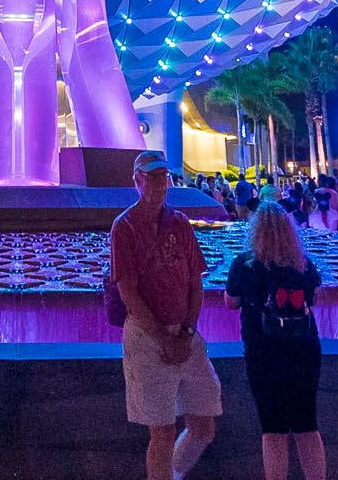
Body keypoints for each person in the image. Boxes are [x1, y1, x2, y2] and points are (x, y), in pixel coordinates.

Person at [111, 150, 221, 480]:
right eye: (152, 176)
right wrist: (163, 338)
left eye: (163, 176)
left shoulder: (180, 222)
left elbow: (194, 282)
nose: (160, 183)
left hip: (183, 334)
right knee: (161, 432)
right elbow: (128, 292)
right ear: (137, 181)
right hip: (148, 338)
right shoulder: (124, 227)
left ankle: (171, 473)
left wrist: (186, 332)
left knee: (203, 425)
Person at [227, 201, 326, 480]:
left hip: (263, 353)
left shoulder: (244, 265)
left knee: (273, 428)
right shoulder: (304, 265)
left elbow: (231, 302)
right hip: (304, 351)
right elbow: (315, 298)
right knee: (307, 423)